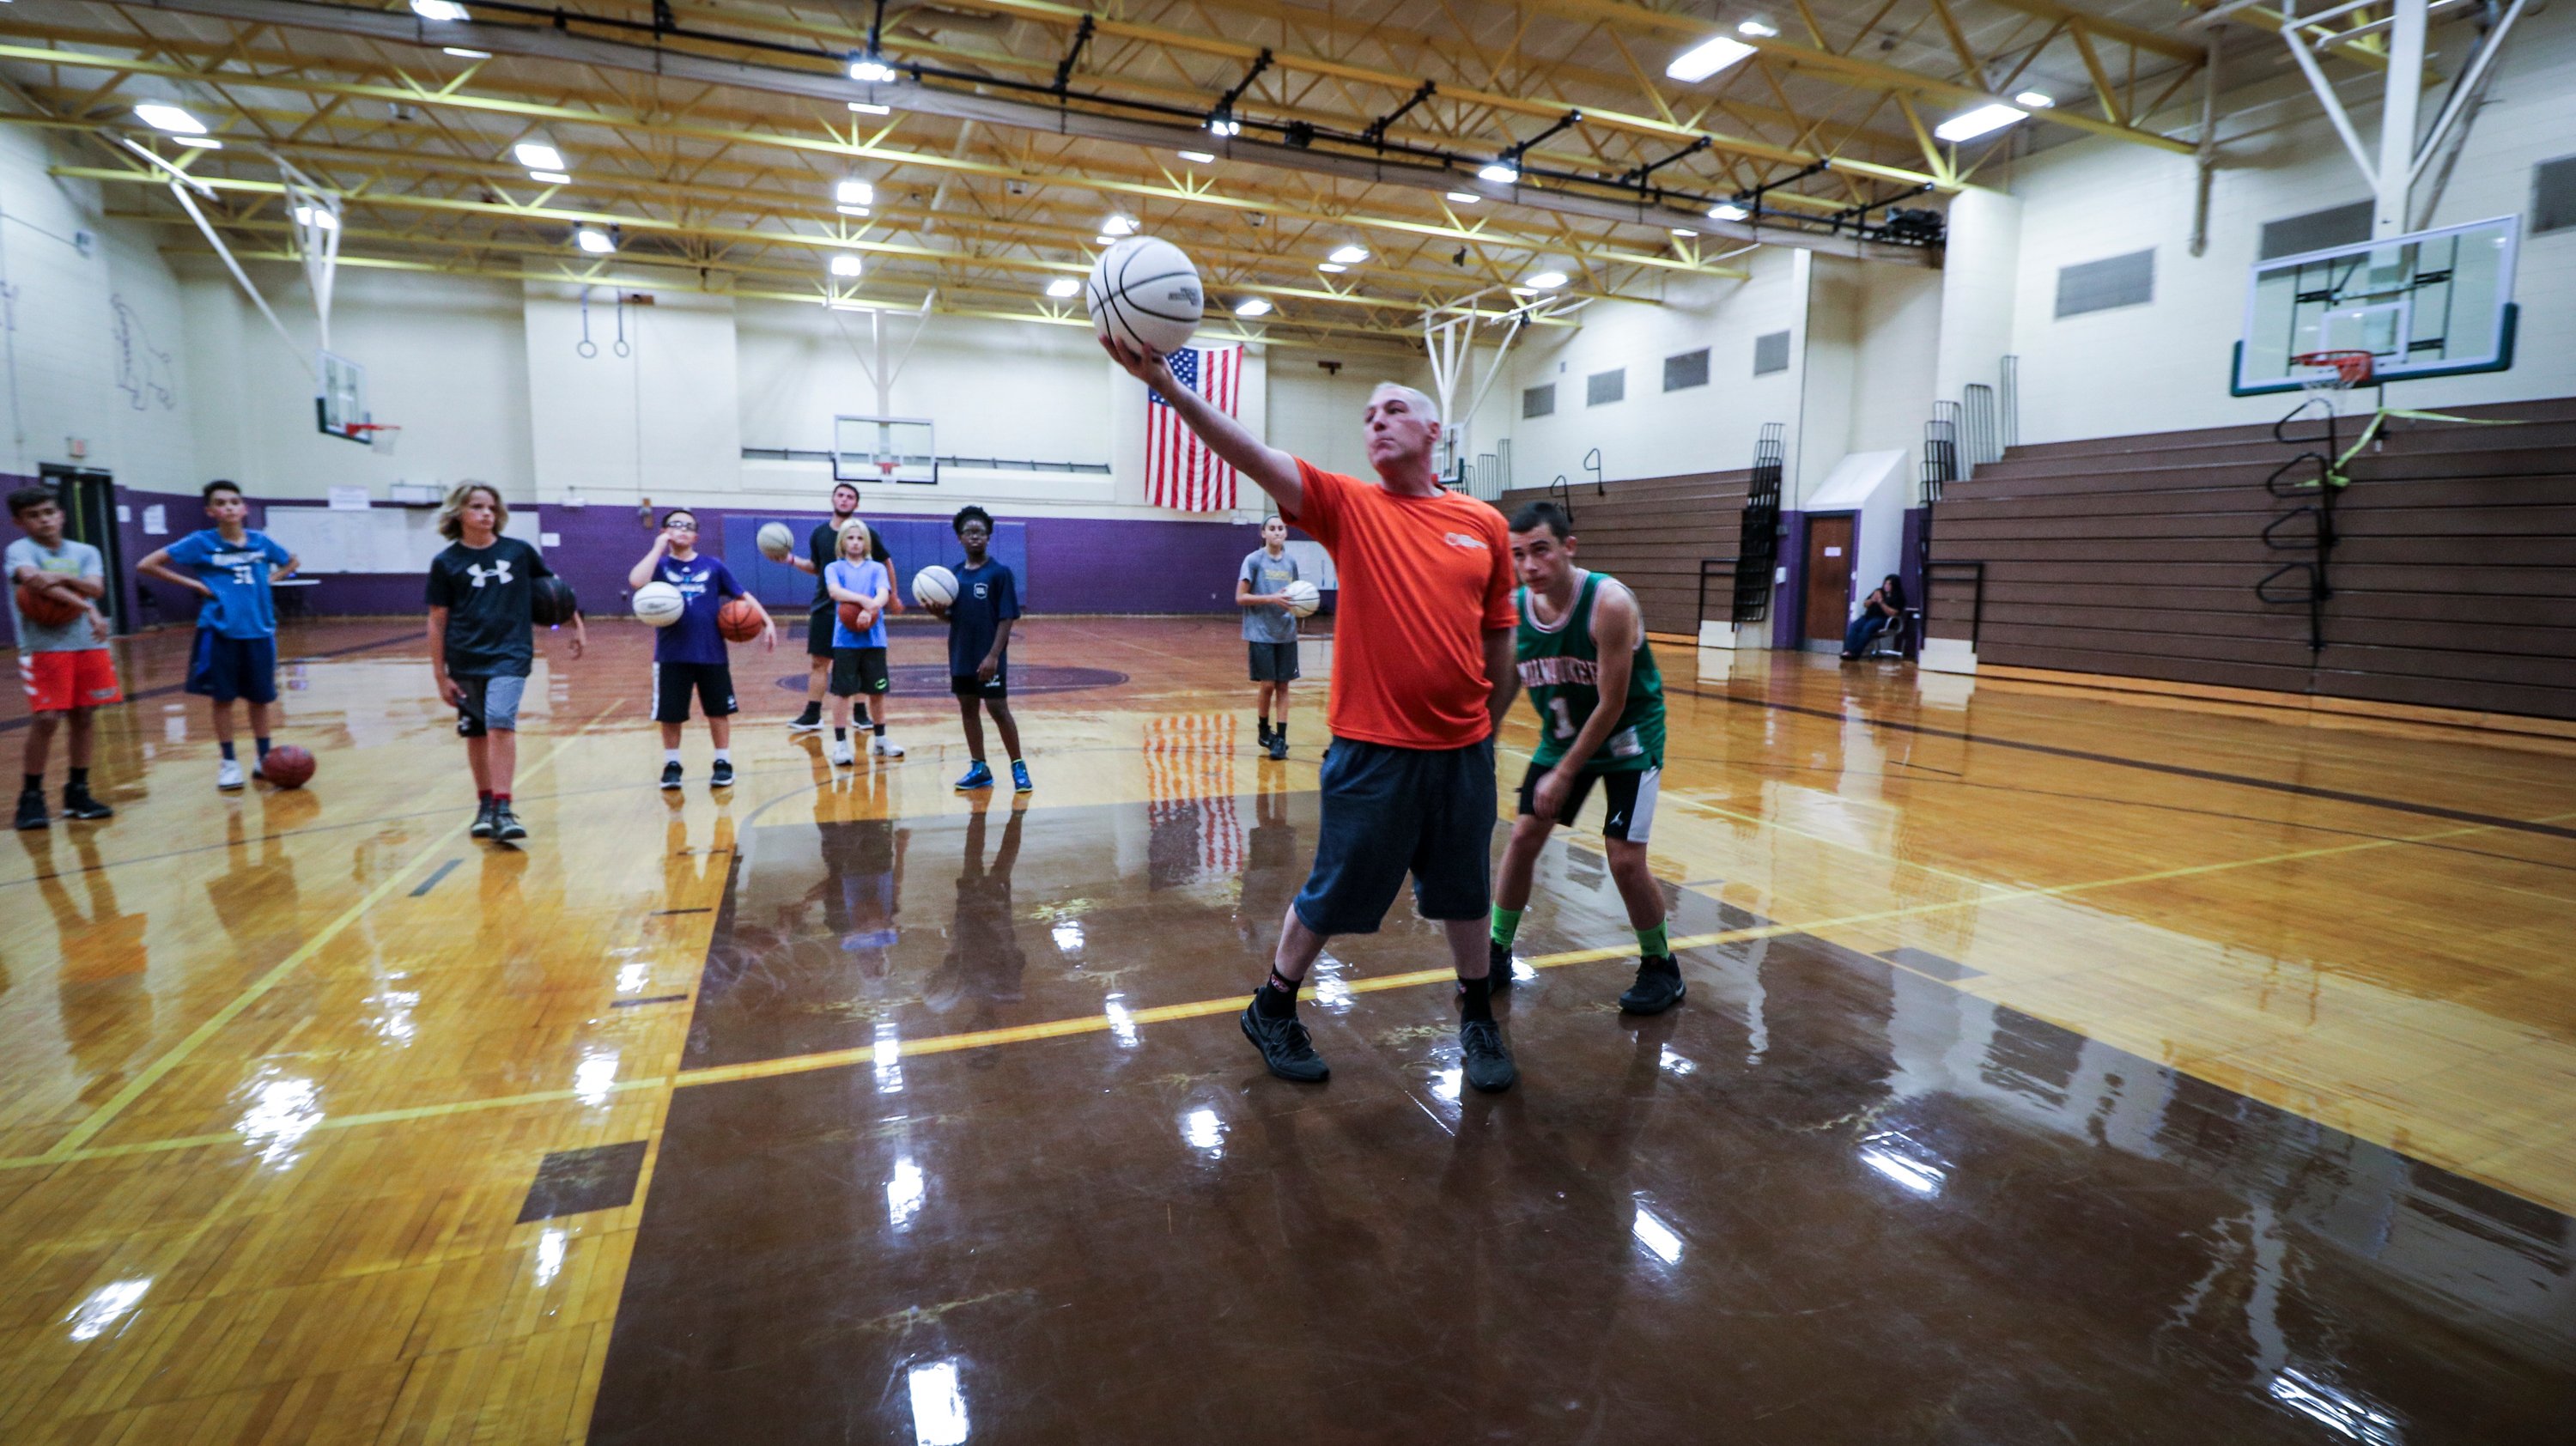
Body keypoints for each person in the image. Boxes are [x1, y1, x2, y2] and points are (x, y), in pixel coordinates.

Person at [1103, 338, 1520, 1092]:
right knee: (1334, 889)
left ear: (1433, 433)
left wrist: (1487, 729)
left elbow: (1500, 637)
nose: (1377, 422)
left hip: (1461, 752)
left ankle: (1478, 1018)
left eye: (1395, 410)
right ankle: (1273, 1004)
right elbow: (1253, 454)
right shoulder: (1350, 506)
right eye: (1367, 416)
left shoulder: (1484, 524)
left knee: (1465, 891)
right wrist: (1171, 389)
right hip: (1372, 751)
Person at [1490, 502, 1684, 1015]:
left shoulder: (1609, 603)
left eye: (1540, 550)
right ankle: (1497, 950)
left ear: (1567, 548)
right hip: (1564, 738)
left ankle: (1661, 964)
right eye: (1519, 555)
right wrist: (1480, 741)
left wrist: (1565, 772)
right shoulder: (1517, 608)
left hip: (1627, 740)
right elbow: (1507, 681)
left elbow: (1613, 702)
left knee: (1623, 858)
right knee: (1524, 835)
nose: (1529, 565)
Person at [425, 482, 585, 841]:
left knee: (500, 721)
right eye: (477, 507)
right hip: (465, 656)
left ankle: (503, 806)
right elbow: (437, 619)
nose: (486, 514)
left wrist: (576, 624)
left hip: (510, 654)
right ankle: (484, 805)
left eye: (492, 508)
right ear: (458, 513)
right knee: (476, 731)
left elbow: (553, 590)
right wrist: (440, 675)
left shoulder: (518, 552)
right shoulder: (446, 562)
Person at [136, 479, 300, 790]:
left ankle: (263, 759)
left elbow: (293, 560)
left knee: (260, 699)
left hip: (259, 630)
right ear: (211, 511)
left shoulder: (261, 542)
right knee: (222, 699)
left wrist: (272, 578)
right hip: (219, 631)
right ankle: (228, 763)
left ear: (244, 508)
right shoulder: (200, 542)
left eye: (234, 502)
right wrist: (196, 586)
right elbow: (147, 564)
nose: (229, 507)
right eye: (221, 503)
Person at [629, 507, 771, 790]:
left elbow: (741, 594)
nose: (681, 529)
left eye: (687, 526)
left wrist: (767, 621)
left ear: (695, 535)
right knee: (670, 714)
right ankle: (672, 764)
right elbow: (636, 581)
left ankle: (722, 761)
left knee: (718, 711)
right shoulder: (658, 567)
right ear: (664, 531)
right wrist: (658, 548)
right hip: (671, 654)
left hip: (712, 653)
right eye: (674, 525)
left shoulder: (713, 566)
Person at [8, 487, 118, 829]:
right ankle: (31, 797)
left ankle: (78, 793)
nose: (44, 520)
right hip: (44, 647)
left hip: (89, 643)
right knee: (47, 720)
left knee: (85, 715)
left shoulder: (85, 550)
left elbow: (97, 587)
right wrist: (83, 602)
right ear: (19, 521)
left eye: (48, 512)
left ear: (61, 515)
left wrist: (67, 580)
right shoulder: (19, 550)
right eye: (34, 515)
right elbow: (36, 582)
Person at [926, 506, 1029, 793]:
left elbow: (1007, 617)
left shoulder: (999, 573)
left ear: (988, 537)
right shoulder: (953, 576)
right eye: (969, 532)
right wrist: (937, 614)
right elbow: (953, 618)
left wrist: (994, 656)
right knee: (968, 708)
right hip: (960, 654)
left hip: (989, 656)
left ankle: (1018, 766)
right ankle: (979, 768)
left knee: (998, 708)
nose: (975, 537)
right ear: (960, 537)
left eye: (980, 532)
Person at [787, 483, 894, 733]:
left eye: (850, 497)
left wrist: (893, 596)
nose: (844, 500)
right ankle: (812, 714)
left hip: (861, 608)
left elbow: (885, 564)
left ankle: (860, 713)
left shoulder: (866, 534)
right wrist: (791, 560)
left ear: (856, 504)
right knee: (819, 662)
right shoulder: (819, 533)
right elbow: (816, 567)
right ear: (833, 499)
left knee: (857, 661)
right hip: (826, 607)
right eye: (841, 495)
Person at [823, 516, 906, 768]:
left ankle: (880, 739)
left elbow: (883, 594)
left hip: (874, 640)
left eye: (860, 538)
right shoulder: (834, 568)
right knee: (842, 692)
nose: (856, 542)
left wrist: (870, 610)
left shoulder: (877, 569)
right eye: (850, 537)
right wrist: (864, 602)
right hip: (845, 642)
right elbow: (835, 592)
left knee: (877, 691)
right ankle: (840, 744)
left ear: (867, 542)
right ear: (842, 541)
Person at [1236, 515, 1303, 761]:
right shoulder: (1253, 560)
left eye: (1281, 528)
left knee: (1283, 685)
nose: (1277, 532)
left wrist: (1302, 605)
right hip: (1261, 632)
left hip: (1286, 632)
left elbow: (1296, 595)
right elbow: (1241, 597)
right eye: (1272, 528)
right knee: (1267, 684)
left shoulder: (1291, 562)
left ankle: (1282, 737)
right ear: (1263, 533)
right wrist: (1271, 598)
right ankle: (1264, 730)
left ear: (1286, 533)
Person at [1841, 574, 1908, 659]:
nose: (1886, 586)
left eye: (1889, 584)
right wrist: (1872, 600)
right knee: (1854, 626)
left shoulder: (1899, 597)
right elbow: (1865, 604)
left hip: (1883, 619)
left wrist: (1881, 603)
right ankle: (1848, 651)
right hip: (1868, 616)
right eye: (1885, 583)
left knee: (1868, 628)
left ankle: (1855, 653)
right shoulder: (1878, 591)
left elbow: (1893, 613)